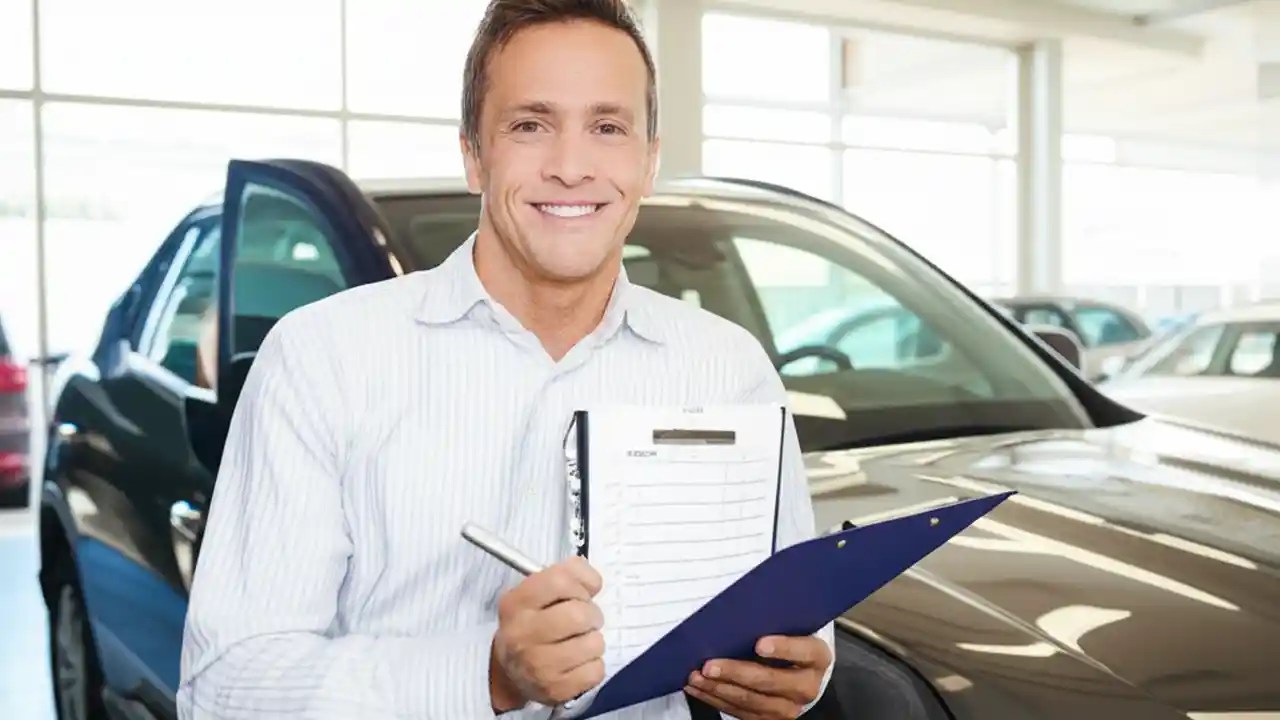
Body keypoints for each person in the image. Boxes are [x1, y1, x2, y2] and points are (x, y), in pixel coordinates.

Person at [176, 1, 834, 718]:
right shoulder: (322, 359)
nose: (572, 167)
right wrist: (488, 674)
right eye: (530, 125)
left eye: (608, 128)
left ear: (649, 161)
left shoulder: (728, 371)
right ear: (473, 154)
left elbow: (788, 621)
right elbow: (226, 691)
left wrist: (793, 675)